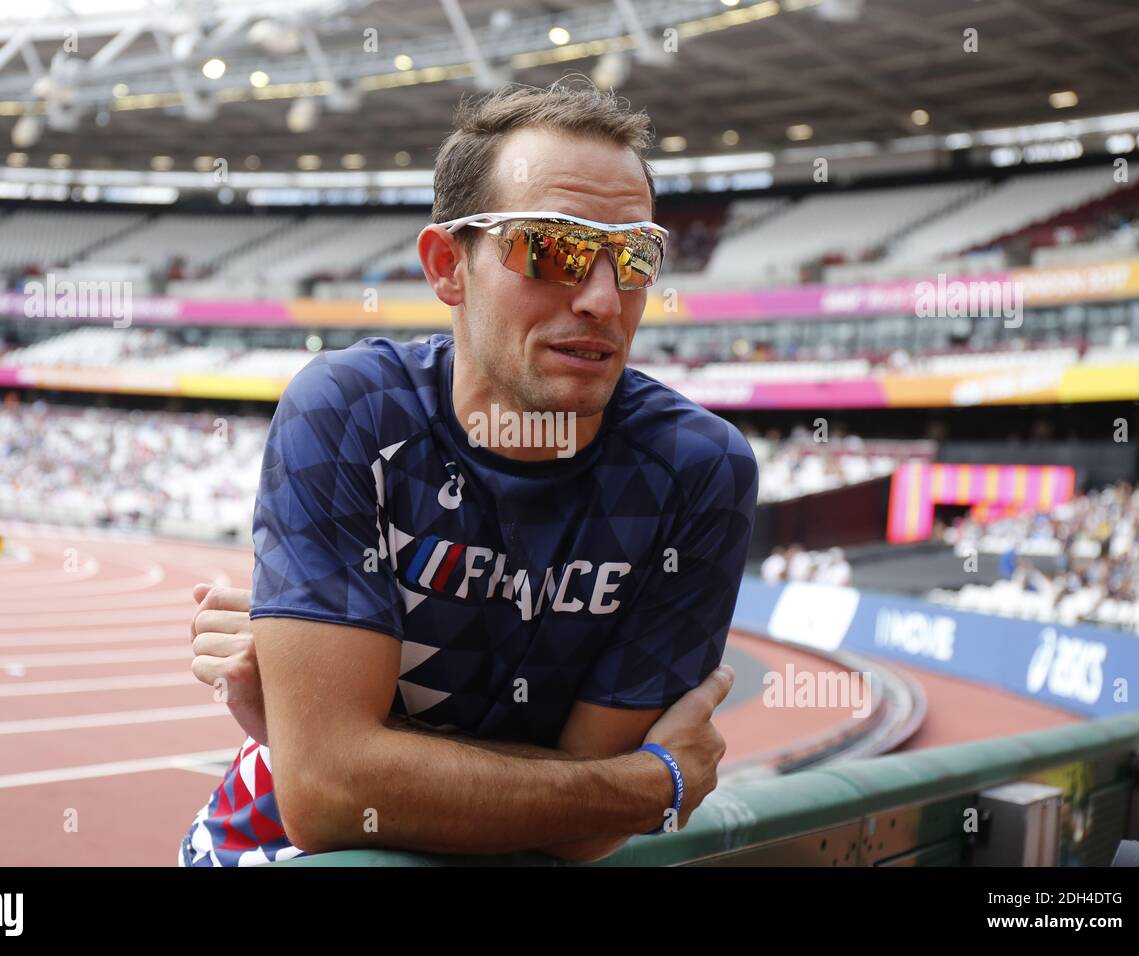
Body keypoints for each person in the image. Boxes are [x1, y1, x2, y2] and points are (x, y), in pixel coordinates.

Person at [179, 78, 759, 867]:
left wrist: (342, 737)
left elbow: (581, 839)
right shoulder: (351, 410)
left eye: (634, 256)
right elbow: (327, 797)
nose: (602, 297)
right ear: (448, 265)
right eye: (553, 249)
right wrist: (654, 785)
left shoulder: (698, 471)